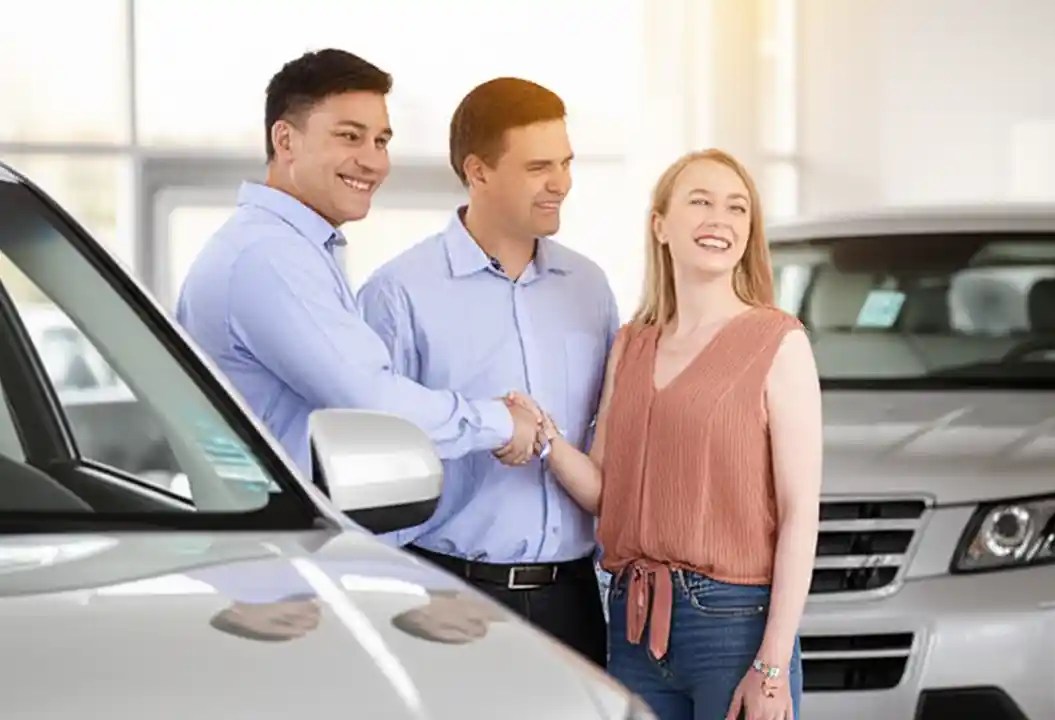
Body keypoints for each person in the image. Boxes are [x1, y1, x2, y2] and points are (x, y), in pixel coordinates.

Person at [509, 149, 822, 719]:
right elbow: (605, 492)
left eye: (737, 208)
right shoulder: (632, 343)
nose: (719, 220)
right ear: (660, 225)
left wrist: (773, 665)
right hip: (633, 627)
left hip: (735, 627)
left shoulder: (779, 342)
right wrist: (546, 437)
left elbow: (801, 513)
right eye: (700, 202)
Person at [175, 50, 543, 485]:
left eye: (381, 141)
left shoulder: (287, 246)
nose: (374, 162)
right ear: (285, 140)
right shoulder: (268, 256)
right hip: (273, 521)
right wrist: (499, 422)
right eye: (350, 137)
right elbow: (370, 403)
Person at [355, 77, 617, 667]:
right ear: (478, 171)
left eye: (566, 163)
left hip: (575, 602)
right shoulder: (399, 293)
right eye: (539, 167)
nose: (561, 183)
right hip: (448, 597)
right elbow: (371, 459)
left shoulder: (590, 289)